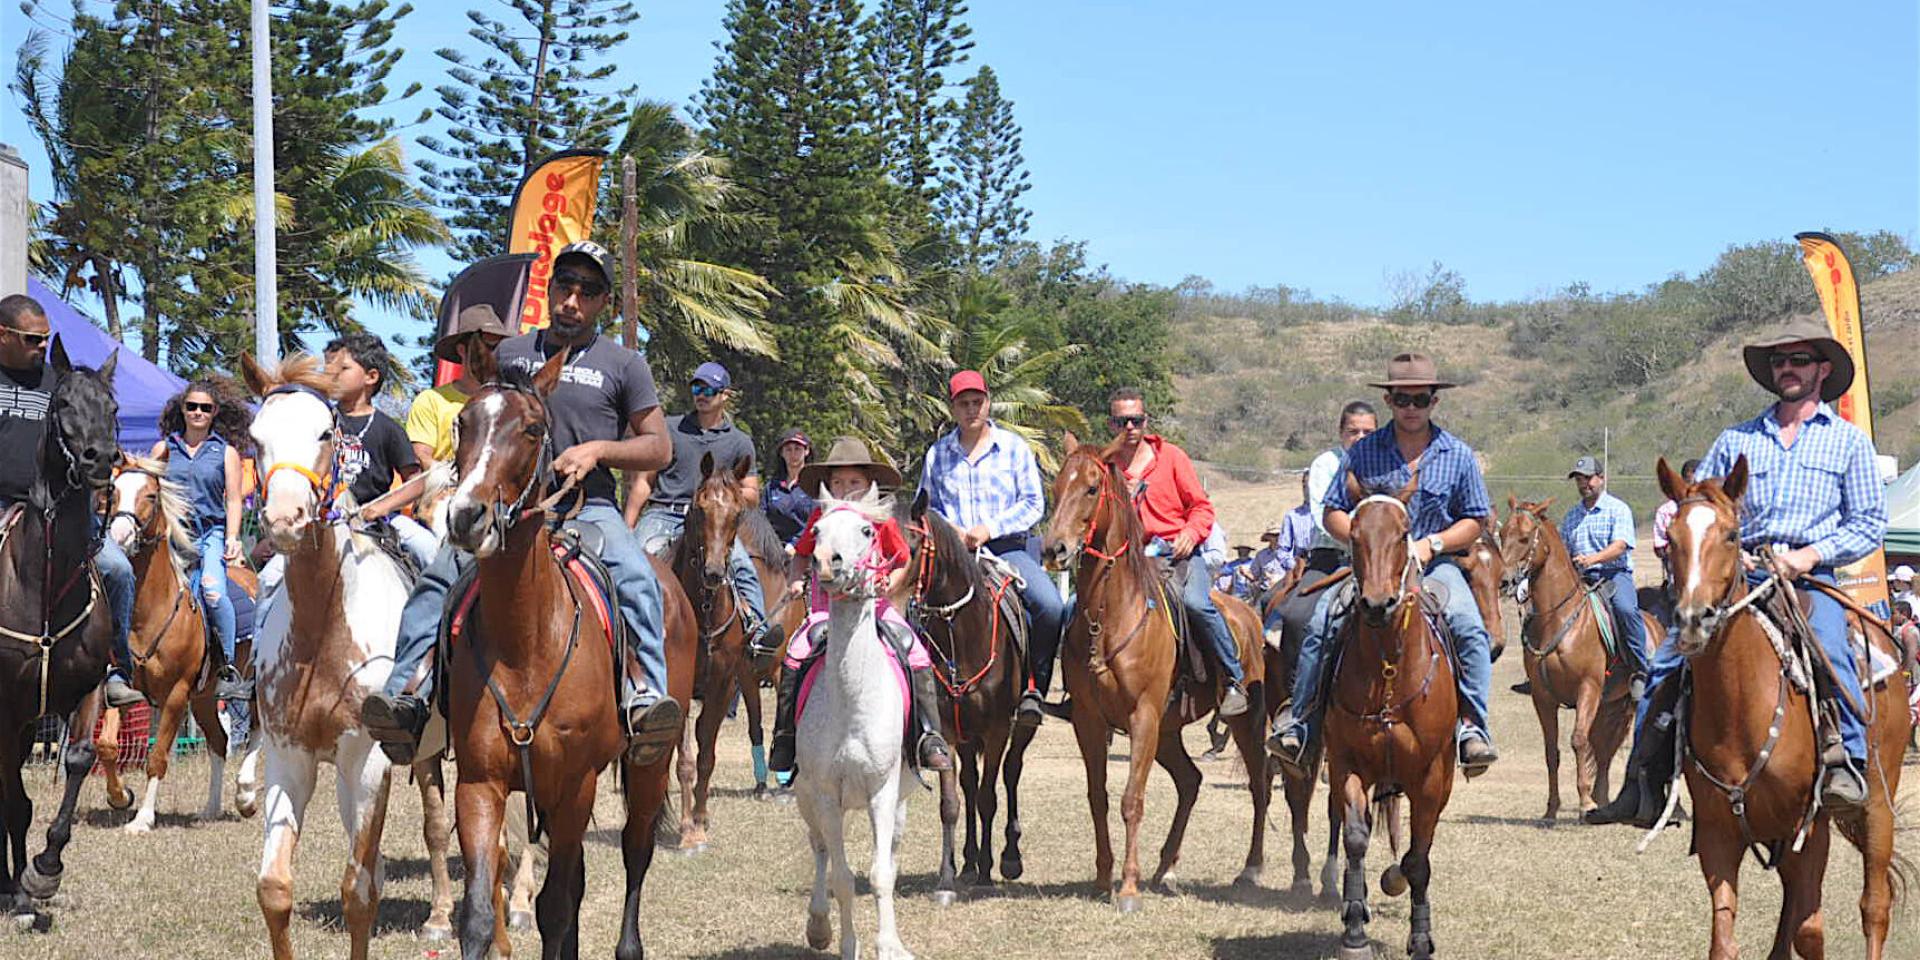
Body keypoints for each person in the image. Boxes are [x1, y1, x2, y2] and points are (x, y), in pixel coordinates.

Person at [360, 241, 682, 766]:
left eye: (588, 291)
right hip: (507, 513)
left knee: (637, 578)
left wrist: (599, 449)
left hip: (587, 508)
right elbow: (479, 426)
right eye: (565, 287)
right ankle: (407, 697)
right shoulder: (510, 355)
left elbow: (659, 446)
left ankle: (645, 699)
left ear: (604, 303)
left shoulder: (624, 364)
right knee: (440, 574)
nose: (572, 300)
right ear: (550, 290)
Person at [1588, 316, 1886, 824]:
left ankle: (1846, 761)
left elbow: (1870, 523)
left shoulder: (1849, 443)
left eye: (1799, 360)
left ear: (1823, 369)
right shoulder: (1735, 439)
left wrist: (1808, 556)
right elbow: (1703, 508)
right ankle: (1643, 780)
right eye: (1779, 361)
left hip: (1811, 574)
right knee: (1665, 660)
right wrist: (1731, 551)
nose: (1787, 369)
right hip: (1739, 572)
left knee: (1830, 646)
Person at [1269, 354, 1499, 774]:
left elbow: (1475, 518)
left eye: (1421, 399)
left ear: (1434, 402)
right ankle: (1301, 723)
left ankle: (1472, 728)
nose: (1412, 408)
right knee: (1321, 621)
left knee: (1468, 625)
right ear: (1389, 401)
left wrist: (1432, 543)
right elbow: (1333, 511)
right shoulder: (1364, 452)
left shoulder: (1459, 454)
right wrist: (1361, 540)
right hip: (1373, 567)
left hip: (1436, 563)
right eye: (1402, 399)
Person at [766, 436, 951, 775]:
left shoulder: (879, 520)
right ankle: (785, 737)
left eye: (854, 482)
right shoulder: (821, 518)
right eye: (838, 483)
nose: (846, 489)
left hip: (875, 609)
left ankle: (928, 735)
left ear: (869, 485)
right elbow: (803, 553)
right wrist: (796, 578)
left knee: (916, 652)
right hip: (826, 612)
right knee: (795, 653)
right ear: (828, 486)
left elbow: (902, 558)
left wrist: (891, 584)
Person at [0, 295, 139, 708]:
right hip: (1, 501)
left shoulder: (58, 383)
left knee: (116, 568)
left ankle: (116, 666)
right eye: (32, 339)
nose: (42, 347)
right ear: (3, 335)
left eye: (45, 339)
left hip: (58, 509)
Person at [918, 370, 1068, 727]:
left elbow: (1033, 503)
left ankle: (1033, 688)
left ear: (988, 403)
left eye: (977, 402)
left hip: (1006, 550)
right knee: (913, 608)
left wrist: (990, 528)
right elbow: (925, 503)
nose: (971, 410)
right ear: (952, 409)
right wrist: (949, 529)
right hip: (953, 555)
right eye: (963, 404)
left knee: (1050, 607)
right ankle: (920, 692)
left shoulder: (1014, 447)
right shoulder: (937, 454)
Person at [1105, 386, 1250, 716]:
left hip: (1177, 555)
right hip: (1127, 561)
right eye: (1121, 421)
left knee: (1195, 603)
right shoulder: (1106, 465)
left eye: (1136, 421)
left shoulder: (1171, 457)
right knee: (1077, 606)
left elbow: (1201, 507)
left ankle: (1232, 678)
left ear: (1146, 422)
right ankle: (1081, 694)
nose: (1130, 428)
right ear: (1110, 425)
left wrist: (1189, 533)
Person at [628, 361, 772, 652]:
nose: (701, 394)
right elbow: (645, 481)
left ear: (725, 395)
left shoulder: (740, 442)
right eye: (697, 387)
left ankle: (758, 634)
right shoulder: (669, 429)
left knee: (744, 568)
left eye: (708, 389)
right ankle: (625, 631)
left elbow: (752, 493)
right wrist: (628, 525)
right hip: (663, 512)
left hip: (714, 520)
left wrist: (723, 499)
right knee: (635, 563)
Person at [148, 381, 254, 702]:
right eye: (192, 406)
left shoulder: (226, 453)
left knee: (214, 591)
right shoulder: (163, 449)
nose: (198, 413)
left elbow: (234, 500)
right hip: (170, 536)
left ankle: (228, 668)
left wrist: (233, 538)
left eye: (205, 408)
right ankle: (119, 666)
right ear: (182, 409)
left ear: (214, 413)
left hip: (209, 534)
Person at [321, 334, 434, 567]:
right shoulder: (318, 422)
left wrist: (379, 508)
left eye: (343, 368)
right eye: (328, 367)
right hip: (323, 519)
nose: (330, 374)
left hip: (379, 519)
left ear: (371, 377)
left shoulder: (389, 429)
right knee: (268, 579)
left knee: (429, 549)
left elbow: (417, 481)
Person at [1561, 456, 1651, 698]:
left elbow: (1620, 546)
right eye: (1579, 480)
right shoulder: (1571, 516)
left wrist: (1592, 559)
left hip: (1614, 575)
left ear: (1601, 478)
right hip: (1580, 578)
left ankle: (1640, 669)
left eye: (1588, 478)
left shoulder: (1617, 509)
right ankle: (1542, 673)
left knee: (1625, 609)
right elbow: (1563, 551)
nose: (1584, 484)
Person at [404, 304, 514, 472]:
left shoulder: (510, 404)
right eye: (485, 347)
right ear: (462, 350)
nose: (491, 355)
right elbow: (421, 456)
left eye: (497, 348)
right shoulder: (432, 400)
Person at [762, 427, 816, 546]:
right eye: (788, 450)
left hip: (806, 549)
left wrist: (794, 545)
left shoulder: (814, 485)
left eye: (797, 449)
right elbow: (762, 519)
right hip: (773, 549)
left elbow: (815, 522)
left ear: (806, 451)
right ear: (782, 453)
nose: (793, 454)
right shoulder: (771, 487)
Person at [1649, 457, 1703, 571]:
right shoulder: (1666, 511)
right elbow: (1659, 548)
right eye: (1690, 482)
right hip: (1678, 569)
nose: (1694, 486)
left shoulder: (1713, 510)